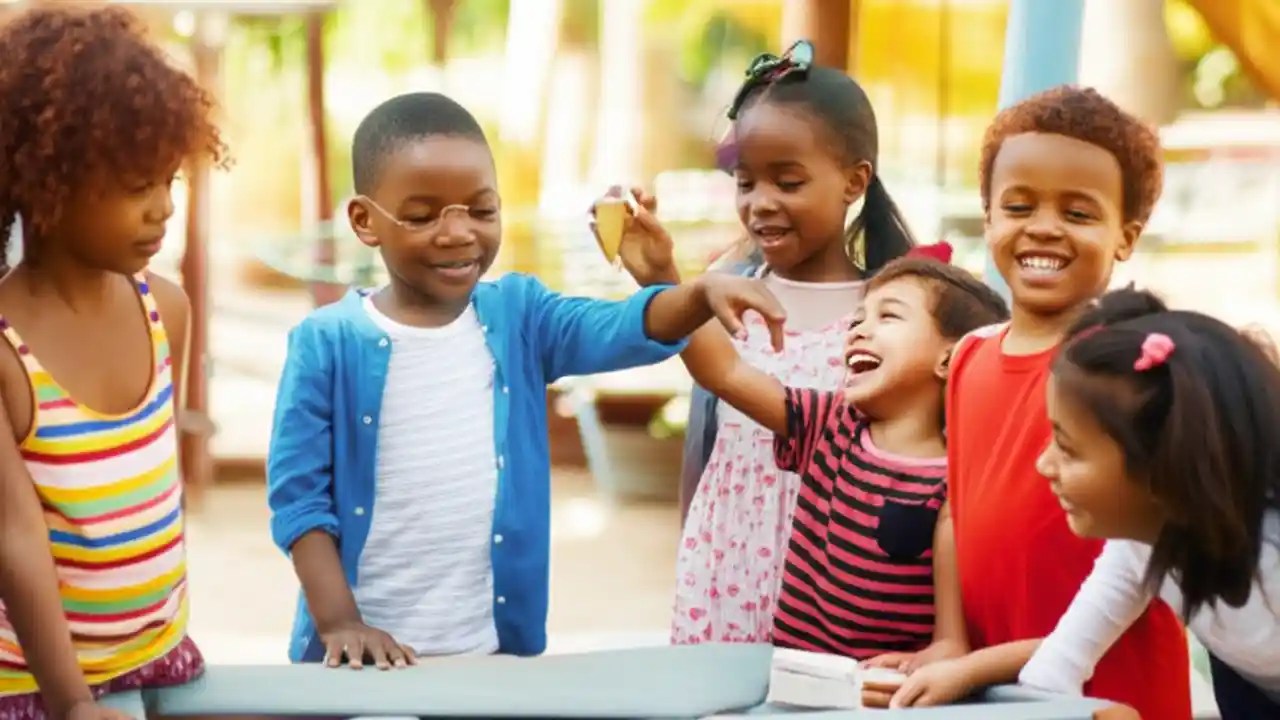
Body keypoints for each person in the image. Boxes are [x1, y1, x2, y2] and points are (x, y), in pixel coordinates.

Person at [266, 91, 786, 669]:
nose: (458, 232)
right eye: (422, 215)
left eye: (481, 211)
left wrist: (698, 293)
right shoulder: (325, 342)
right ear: (365, 221)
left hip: (488, 658)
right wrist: (341, 623)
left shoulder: (520, 315)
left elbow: (618, 327)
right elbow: (299, 502)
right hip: (357, 664)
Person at [881, 87, 1192, 717]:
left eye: (1078, 214)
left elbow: (1135, 574)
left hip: (1113, 684)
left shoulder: (1131, 368)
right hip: (994, 685)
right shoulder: (968, 357)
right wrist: (951, 640)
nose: (1043, 227)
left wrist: (976, 665)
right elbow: (955, 515)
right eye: (1019, 205)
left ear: (1125, 235)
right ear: (989, 217)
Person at [0, 5, 226, 719]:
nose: (163, 209)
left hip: (161, 658)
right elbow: (14, 537)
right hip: (38, 686)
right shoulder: (5, 351)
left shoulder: (168, 309)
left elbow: (153, 491)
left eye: (169, 182)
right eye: (137, 188)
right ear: (46, 187)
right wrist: (71, 704)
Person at [666, 39, 918, 645]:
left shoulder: (890, 316)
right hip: (724, 571)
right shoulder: (727, 300)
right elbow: (704, 453)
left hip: (837, 587)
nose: (761, 204)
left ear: (854, 181)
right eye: (745, 182)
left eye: (789, 181)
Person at [667, 251, 1008, 665]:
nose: (858, 331)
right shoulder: (830, 425)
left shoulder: (959, 480)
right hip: (796, 675)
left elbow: (950, 636)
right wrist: (671, 280)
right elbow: (725, 373)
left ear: (949, 359)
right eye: (857, 320)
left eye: (889, 317)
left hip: (881, 691)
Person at [1017, 288, 1280, 718]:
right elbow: (1054, 670)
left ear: (1166, 469)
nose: (1043, 464)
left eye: (1067, 448)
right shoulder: (1144, 541)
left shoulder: (1271, 556)